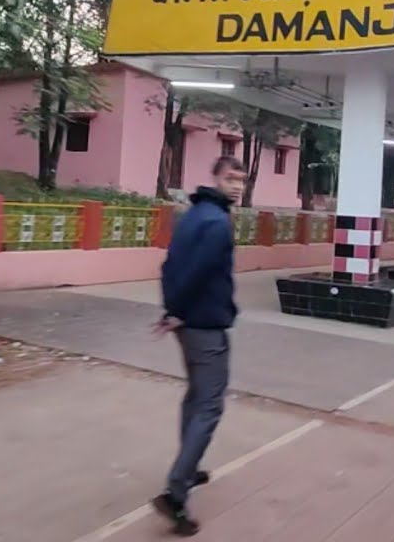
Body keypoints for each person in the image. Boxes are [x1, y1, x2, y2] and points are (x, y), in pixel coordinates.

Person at [150, 156, 246, 537]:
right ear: (216, 178)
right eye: (231, 178)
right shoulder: (217, 222)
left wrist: (171, 311)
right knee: (209, 405)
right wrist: (176, 311)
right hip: (203, 326)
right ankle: (175, 493)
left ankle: (188, 470)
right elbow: (197, 272)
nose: (237, 186)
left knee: (195, 398)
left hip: (188, 323)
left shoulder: (193, 214)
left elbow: (169, 267)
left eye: (242, 179)